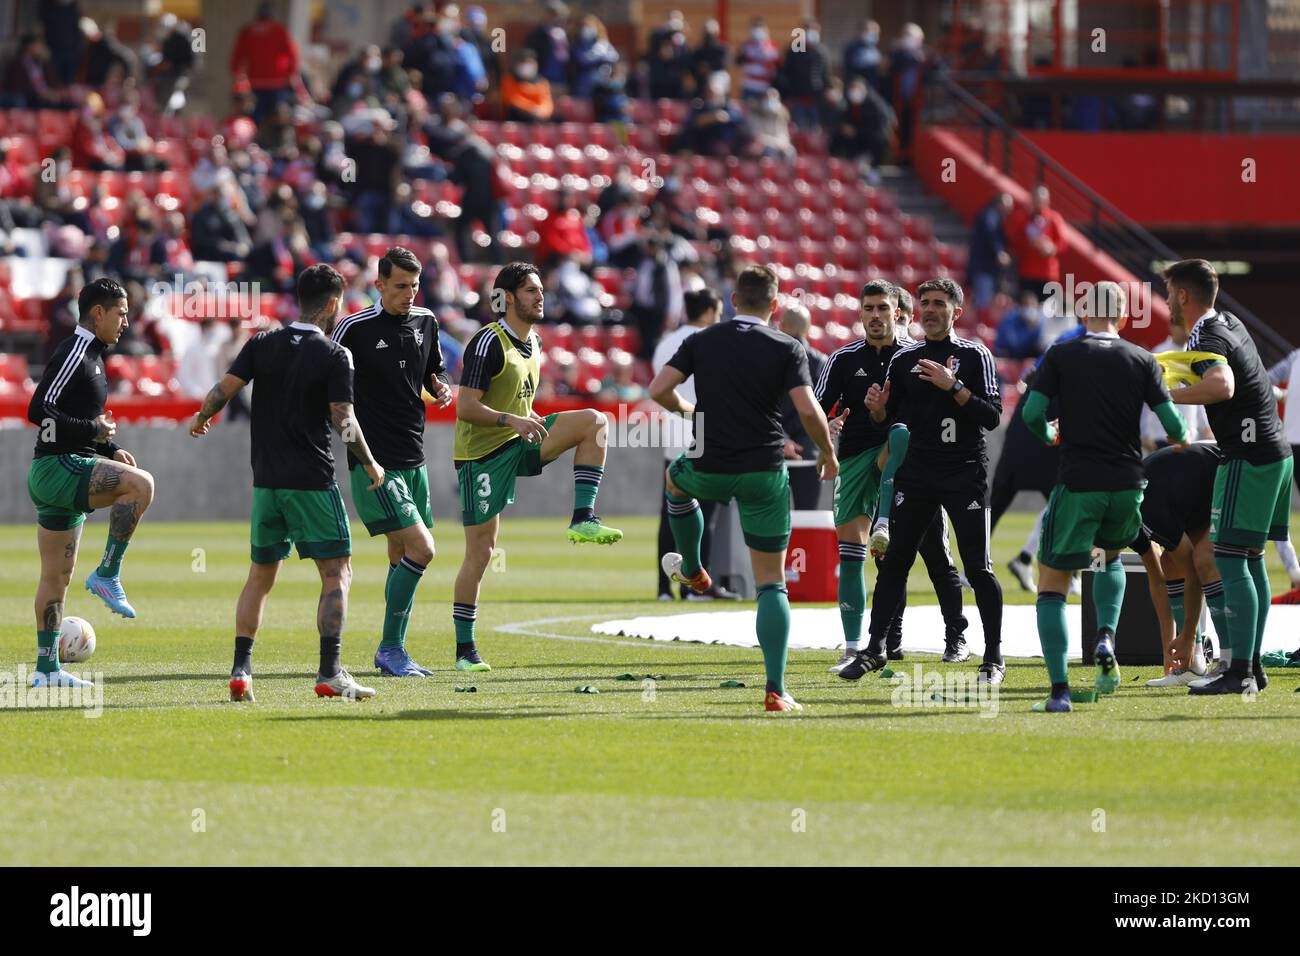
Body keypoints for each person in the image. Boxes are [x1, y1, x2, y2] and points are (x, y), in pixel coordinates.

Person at [650, 264, 838, 712]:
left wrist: (689, 411)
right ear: (774, 307)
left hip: (708, 462)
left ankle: (694, 568)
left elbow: (659, 389)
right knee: (772, 584)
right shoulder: (787, 345)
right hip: (764, 470)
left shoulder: (701, 339)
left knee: (675, 482)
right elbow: (808, 409)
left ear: (734, 301)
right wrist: (827, 451)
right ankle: (776, 690)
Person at [189, 264, 380, 702]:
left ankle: (241, 670)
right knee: (337, 572)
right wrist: (369, 462)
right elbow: (343, 419)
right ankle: (330, 672)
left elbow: (224, 388)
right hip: (311, 480)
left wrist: (202, 416)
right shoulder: (334, 354)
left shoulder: (262, 342)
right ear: (333, 303)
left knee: (260, 575)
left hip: (266, 482)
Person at [1022, 281, 1188, 712]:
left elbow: (1031, 414)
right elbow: (1176, 428)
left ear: (1082, 315)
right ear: (1124, 317)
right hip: (1129, 486)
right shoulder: (1143, 358)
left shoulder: (1062, 355)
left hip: (1079, 482)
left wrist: (1050, 434)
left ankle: (1059, 692)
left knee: (1052, 585)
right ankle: (1106, 637)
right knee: (1110, 558)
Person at [452, 263, 622, 671]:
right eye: (530, 290)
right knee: (481, 553)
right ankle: (464, 650)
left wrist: (522, 421)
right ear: (507, 297)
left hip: (521, 440)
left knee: (595, 422)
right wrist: (512, 419)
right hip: (482, 457)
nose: (540, 296)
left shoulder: (537, 342)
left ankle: (584, 517)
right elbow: (466, 406)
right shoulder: (487, 342)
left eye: (541, 289)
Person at [843, 278, 1006, 684]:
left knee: (978, 567)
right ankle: (875, 648)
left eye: (939, 303)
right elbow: (890, 418)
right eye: (925, 303)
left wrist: (954, 387)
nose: (930, 309)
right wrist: (878, 411)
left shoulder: (974, 355)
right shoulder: (906, 359)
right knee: (894, 562)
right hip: (917, 472)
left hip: (964, 470)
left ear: (957, 311)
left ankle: (993, 655)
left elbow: (992, 416)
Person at [818, 280, 965, 673]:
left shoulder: (915, 358)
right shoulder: (843, 359)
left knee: (933, 552)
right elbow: (817, 408)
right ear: (861, 314)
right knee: (855, 555)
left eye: (883, 308)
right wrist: (826, 435)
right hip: (854, 460)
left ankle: (956, 636)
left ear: (899, 313)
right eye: (868, 309)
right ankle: (861, 646)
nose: (876, 316)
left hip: (910, 462)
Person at [1163, 259, 1293, 695]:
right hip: (1275, 452)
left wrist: (1166, 394)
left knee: (1232, 559)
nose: (1165, 303)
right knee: (1251, 559)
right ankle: (1251, 667)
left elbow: (1222, 385)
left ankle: (1239, 671)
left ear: (1183, 296)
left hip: (1248, 455)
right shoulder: (1229, 320)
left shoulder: (1206, 333)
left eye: (1168, 294)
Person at [26, 277, 156, 689]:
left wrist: (110, 447)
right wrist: (93, 431)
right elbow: (38, 408)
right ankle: (107, 574)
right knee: (141, 486)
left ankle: (46, 670)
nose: (125, 322)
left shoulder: (94, 355)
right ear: (96, 312)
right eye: (119, 313)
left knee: (56, 578)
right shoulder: (76, 350)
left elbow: (83, 424)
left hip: (60, 468)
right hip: (58, 467)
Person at [330, 247, 452, 678]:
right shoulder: (352, 328)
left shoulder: (427, 322)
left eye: (415, 286)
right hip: (375, 464)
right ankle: (390, 648)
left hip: (413, 456)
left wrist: (440, 388)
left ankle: (393, 650)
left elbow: (430, 373)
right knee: (423, 549)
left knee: (402, 555)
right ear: (379, 284)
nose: (409, 293)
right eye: (400, 286)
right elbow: (330, 390)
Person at [652, 289, 734, 600]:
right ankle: (698, 586)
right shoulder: (715, 341)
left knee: (669, 514)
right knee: (704, 515)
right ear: (712, 309)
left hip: (672, 434)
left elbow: (659, 386)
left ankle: (663, 588)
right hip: (705, 433)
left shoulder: (665, 344)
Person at [1131, 442, 1223, 686]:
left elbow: (1193, 572)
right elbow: (1157, 579)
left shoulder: (1144, 512)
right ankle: (1190, 664)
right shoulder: (1126, 518)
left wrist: (1188, 634)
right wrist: (1167, 650)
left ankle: (1235, 664)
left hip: (1227, 473)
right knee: (1169, 562)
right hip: (1194, 486)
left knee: (1205, 561)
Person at [778, 303, 826, 510]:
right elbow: (823, 406)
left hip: (774, 446)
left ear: (781, 326)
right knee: (807, 516)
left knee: (771, 520)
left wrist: (781, 435)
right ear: (807, 329)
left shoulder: (767, 359)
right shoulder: (821, 362)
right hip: (809, 450)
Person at [1265, 345, 1300, 603]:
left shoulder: (1295, 356)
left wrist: (1282, 394)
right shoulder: (1295, 356)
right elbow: (1264, 381)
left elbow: (1264, 381)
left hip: (1291, 444)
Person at [229, 1, 300, 122]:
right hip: (277, 83)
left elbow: (237, 58)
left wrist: (238, 76)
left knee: (255, 120)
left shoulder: (248, 31)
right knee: (279, 119)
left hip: (255, 82)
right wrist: (289, 74)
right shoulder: (278, 30)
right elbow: (293, 55)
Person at [1008, 186, 1065, 300]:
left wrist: (1052, 248)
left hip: (1048, 273)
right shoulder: (1022, 217)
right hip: (1027, 272)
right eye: (1037, 199)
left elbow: (1062, 243)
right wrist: (1028, 243)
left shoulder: (1054, 218)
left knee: (1047, 311)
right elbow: (1013, 240)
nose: (1039, 203)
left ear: (1048, 201)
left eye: (1042, 200)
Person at [967, 192, 1013, 314]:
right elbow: (991, 235)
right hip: (983, 267)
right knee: (983, 304)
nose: (1009, 209)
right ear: (999, 204)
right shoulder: (990, 215)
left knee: (986, 302)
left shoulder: (996, 217)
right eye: (1007, 205)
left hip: (989, 268)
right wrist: (1000, 253)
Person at [993, 291, 1047, 358]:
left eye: (1032, 304)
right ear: (1020, 306)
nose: (1029, 307)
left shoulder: (1042, 321)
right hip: (1010, 358)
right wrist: (1030, 329)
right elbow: (1012, 344)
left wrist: (1034, 327)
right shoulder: (1010, 319)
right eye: (1026, 304)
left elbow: (1042, 345)